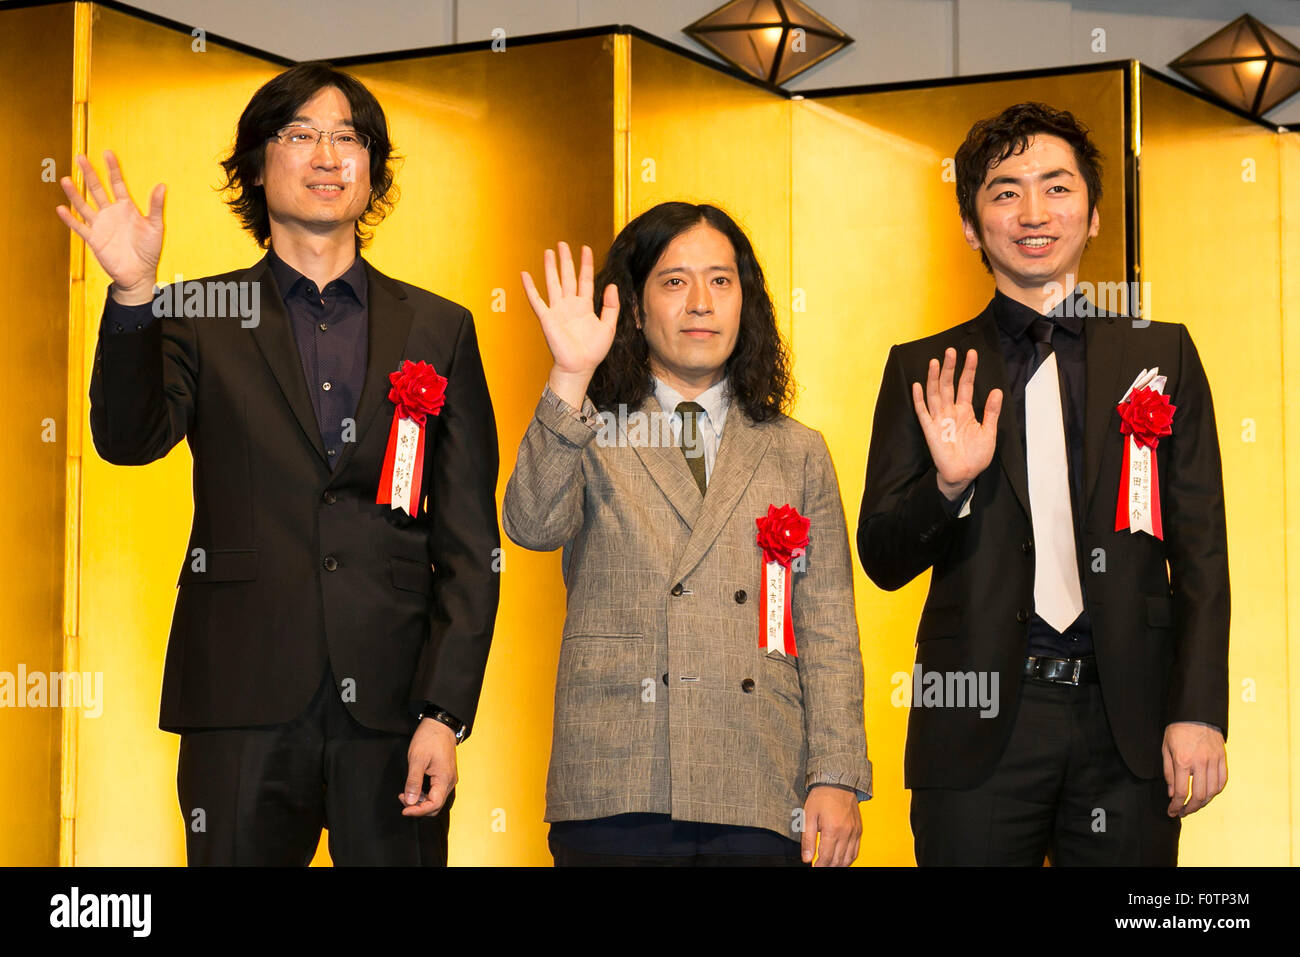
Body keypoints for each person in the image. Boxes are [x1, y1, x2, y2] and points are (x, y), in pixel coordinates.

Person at [58, 62, 500, 865]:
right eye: (300, 136)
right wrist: (133, 296)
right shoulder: (198, 312)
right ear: (257, 168)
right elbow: (128, 439)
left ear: (373, 169)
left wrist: (446, 710)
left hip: (397, 707)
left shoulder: (441, 327)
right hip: (240, 696)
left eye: (348, 138)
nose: (328, 156)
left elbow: (471, 542)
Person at [857, 101, 1229, 865]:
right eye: (1004, 191)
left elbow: (1203, 554)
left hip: (1127, 720)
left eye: (1057, 187)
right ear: (970, 225)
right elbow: (884, 557)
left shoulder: (1161, 353)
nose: (1034, 211)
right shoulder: (924, 367)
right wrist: (949, 486)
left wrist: (1198, 710)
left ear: (1093, 215)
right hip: (977, 720)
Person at [503, 202, 871, 866]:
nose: (701, 302)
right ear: (636, 309)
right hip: (618, 782)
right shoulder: (592, 426)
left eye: (721, 281)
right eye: (674, 281)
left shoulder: (797, 450)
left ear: (745, 301)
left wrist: (837, 773)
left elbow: (829, 628)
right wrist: (569, 376)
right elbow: (529, 524)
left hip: (759, 778)